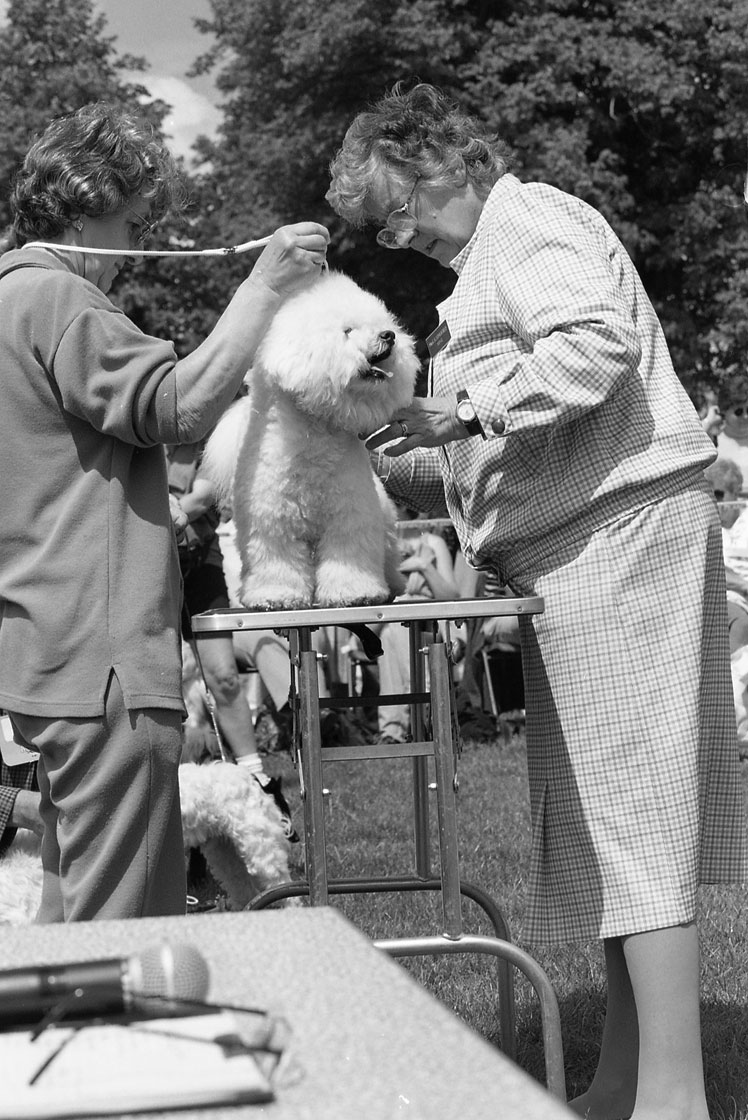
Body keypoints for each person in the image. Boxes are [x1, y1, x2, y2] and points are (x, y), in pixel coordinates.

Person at [326, 83, 746, 1120]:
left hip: (616, 539)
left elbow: (595, 348)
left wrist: (459, 407)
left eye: (396, 207)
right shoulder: (488, 258)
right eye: (382, 222)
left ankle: (675, 1099)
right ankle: (627, 1077)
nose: (397, 234)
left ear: (447, 162)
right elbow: (497, 438)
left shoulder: (530, 216)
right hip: (582, 549)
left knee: (635, 819)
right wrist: (406, 450)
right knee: (615, 821)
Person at [0, 101, 328, 922]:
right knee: (124, 923)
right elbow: (174, 404)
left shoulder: (7, 303)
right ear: (86, 207)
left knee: (64, 908)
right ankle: (105, 1052)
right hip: (105, 656)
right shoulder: (59, 300)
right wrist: (265, 287)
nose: (131, 256)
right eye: (134, 224)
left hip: (46, 649)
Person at [167, 441, 297, 840]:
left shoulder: (202, 422)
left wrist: (165, 516)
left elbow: (205, 495)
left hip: (198, 556)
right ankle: (164, 788)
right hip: (147, 560)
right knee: (164, 682)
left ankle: (257, 782)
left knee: (223, 676)